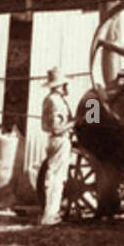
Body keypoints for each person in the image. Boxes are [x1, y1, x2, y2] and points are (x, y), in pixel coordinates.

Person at [39, 67, 74, 225]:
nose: (67, 87)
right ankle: (50, 215)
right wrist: (76, 122)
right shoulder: (56, 101)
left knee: (55, 176)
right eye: (65, 84)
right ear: (60, 86)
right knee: (56, 178)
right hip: (59, 139)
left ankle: (51, 213)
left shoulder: (51, 99)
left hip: (56, 140)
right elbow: (56, 127)